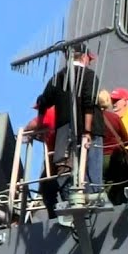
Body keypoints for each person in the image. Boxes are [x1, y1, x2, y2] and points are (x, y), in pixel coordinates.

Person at [33, 43, 101, 212]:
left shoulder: (58, 78)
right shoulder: (89, 75)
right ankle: (92, 203)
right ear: (83, 57)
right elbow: (89, 103)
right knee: (91, 171)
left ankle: (69, 203)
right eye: (89, 58)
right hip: (90, 130)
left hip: (64, 131)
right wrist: (87, 131)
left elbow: (42, 101)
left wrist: (40, 124)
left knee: (65, 172)